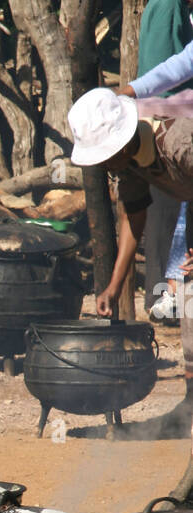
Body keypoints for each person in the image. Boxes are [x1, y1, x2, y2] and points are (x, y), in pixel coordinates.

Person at [68, 86, 193, 431]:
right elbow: (134, 216)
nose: (104, 165)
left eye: (104, 156)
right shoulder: (128, 162)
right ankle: (190, 410)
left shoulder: (181, 141)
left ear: (121, 145)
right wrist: (113, 285)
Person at [118, 0, 193, 322]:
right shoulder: (168, 3)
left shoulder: (171, 1)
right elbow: (173, 66)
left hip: (172, 118)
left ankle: (170, 294)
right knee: (167, 216)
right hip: (170, 122)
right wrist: (163, 119)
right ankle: (164, 296)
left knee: (171, 217)